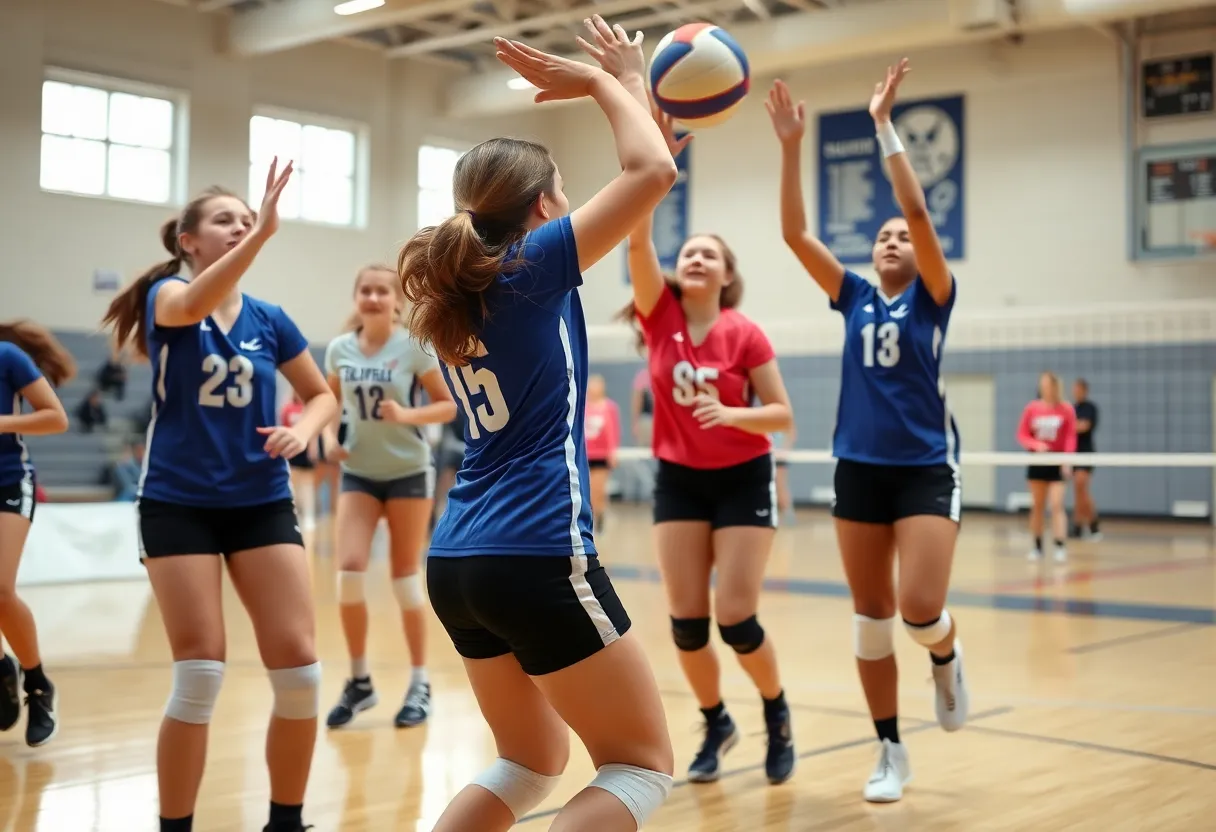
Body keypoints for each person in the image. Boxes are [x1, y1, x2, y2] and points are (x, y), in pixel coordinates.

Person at [397, 19, 677, 832]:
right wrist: (604, 81)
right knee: (640, 766)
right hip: (535, 549)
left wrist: (622, 82)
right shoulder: (534, 265)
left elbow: (646, 176)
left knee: (528, 762)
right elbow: (652, 168)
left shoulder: (454, 291)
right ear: (548, 207)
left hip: (456, 559)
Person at [100, 160, 339, 832]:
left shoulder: (272, 319)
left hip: (261, 500)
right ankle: (175, 825)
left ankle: (285, 823)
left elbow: (321, 396)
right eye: (225, 221)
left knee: (300, 672)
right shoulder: (168, 298)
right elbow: (198, 303)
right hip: (178, 503)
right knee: (201, 673)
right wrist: (262, 233)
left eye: (246, 218)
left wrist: (304, 433)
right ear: (189, 241)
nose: (239, 226)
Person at [766, 63, 970, 803]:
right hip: (858, 469)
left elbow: (916, 211)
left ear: (921, 253)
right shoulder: (851, 295)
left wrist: (883, 123)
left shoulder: (933, 300)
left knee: (919, 609)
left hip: (924, 468)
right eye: (880, 235)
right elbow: (793, 232)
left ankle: (945, 653)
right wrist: (792, 145)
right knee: (872, 621)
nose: (890, 239)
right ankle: (890, 749)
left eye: (900, 236)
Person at [617, 113, 797, 786]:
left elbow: (781, 415)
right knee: (688, 625)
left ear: (726, 275)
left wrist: (735, 412)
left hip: (742, 478)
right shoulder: (658, 316)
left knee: (736, 617)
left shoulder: (744, 334)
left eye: (708, 254)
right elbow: (636, 242)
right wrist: (655, 165)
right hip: (680, 481)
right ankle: (716, 719)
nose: (694, 258)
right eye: (688, 251)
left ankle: (777, 712)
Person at [321, 264, 456, 730]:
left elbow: (448, 405)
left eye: (383, 291)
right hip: (358, 472)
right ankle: (359, 682)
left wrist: (405, 414)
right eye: (366, 290)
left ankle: (420, 681)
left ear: (397, 301)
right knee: (349, 575)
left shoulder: (413, 347)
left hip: (407, 473)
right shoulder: (339, 349)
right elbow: (326, 402)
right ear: (356, 297)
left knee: (403, 579)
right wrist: (325, 437)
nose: (374, 297)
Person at [0, 320, 75, 748]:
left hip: (8, 481)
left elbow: (55, 418)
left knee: (1, 589)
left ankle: (38, 685)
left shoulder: (7, 357)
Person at [1016, 372, 1077, 562]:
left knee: (1057, 505)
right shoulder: (1032, 408)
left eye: (1047, 383)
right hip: (1037, 461)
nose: (1044, 386)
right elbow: (1022, 435)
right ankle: (1037, 546)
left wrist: (1067, 460)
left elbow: (1070, 437)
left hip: (1057, 462)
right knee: (1037, 506)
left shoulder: (1066, 409)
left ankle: (1060, 546)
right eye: (1042, 383)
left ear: (1055, 385)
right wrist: (1036, 445)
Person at [584, 374, 621, 530]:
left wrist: (612, 451)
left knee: (598, 489)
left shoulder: (609, 407)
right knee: (587, 489)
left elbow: (613, 430)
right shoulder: (582, 406)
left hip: (601, 455)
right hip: (585, 455)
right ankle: (589, 518)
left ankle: (599, 516)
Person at [1070, 378, 1100, 540]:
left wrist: (1073, 426)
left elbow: (1084, 426)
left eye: (1078, 389)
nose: (1075, 392)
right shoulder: (1072, 408)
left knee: (1081, 488)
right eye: (1074, 389)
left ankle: (1088, 525)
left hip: (1086, 453)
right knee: (1078, 491)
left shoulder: (1090, 408)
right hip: (1073, 454)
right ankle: (1082, 526)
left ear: (1085, 390)